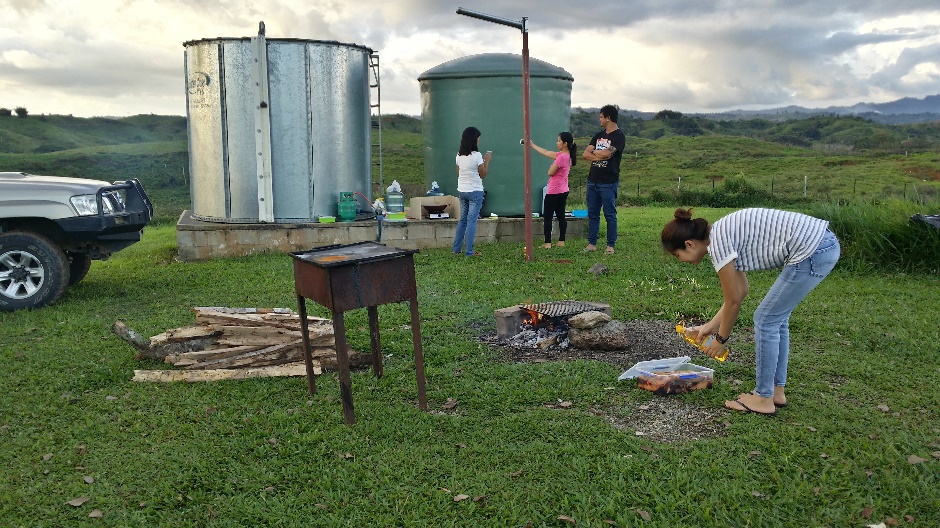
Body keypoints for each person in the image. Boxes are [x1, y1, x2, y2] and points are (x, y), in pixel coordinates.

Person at [661, 207, 841, 416]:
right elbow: (742, 291)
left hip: (813, 249)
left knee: (766, 320)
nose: (681, 260)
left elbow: (734, 301)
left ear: (689, 244)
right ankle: (775, 392)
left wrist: (720, 339)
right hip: (820, 244)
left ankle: (763, 399)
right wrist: (710, 326)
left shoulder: (718, 244)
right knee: (775, 319)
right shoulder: (720, 235)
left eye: (677, 255)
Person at [582, 104, 626, 255]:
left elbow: (607, 153)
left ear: (608, 118)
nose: (599, 119)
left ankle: (610, 246)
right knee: (593, 214)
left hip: (608, 182)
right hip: (592, 180)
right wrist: (599, 153)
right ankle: (592, 244)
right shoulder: (598, 135)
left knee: (609, 214)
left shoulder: (619, 136)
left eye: (601, 117)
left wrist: (596, 153)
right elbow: (585, 154)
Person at [529, 132, 577, 248]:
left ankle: (547, 243)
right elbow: (546, 153)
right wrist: (532, 145)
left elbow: (550, 172)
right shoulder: (567, 155)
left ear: (565, 143)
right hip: (563, 190)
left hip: (554, 191)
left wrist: (553, 165)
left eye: (559, 141)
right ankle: (561, 241)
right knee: (561, 215)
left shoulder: (560, 158)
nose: (557, 143)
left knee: (548, 217)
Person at [452, 126, 491, 256]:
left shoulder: (458, 156)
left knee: (463, 220)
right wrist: (487, 161)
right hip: (475, 191)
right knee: (471, 221)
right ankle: (469, 251)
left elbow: (459, 173)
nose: (479, 141)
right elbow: (483, 174)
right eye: (478, 139)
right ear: (474, 140)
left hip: (462, 191)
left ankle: (456, 249)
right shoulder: (477, 156)